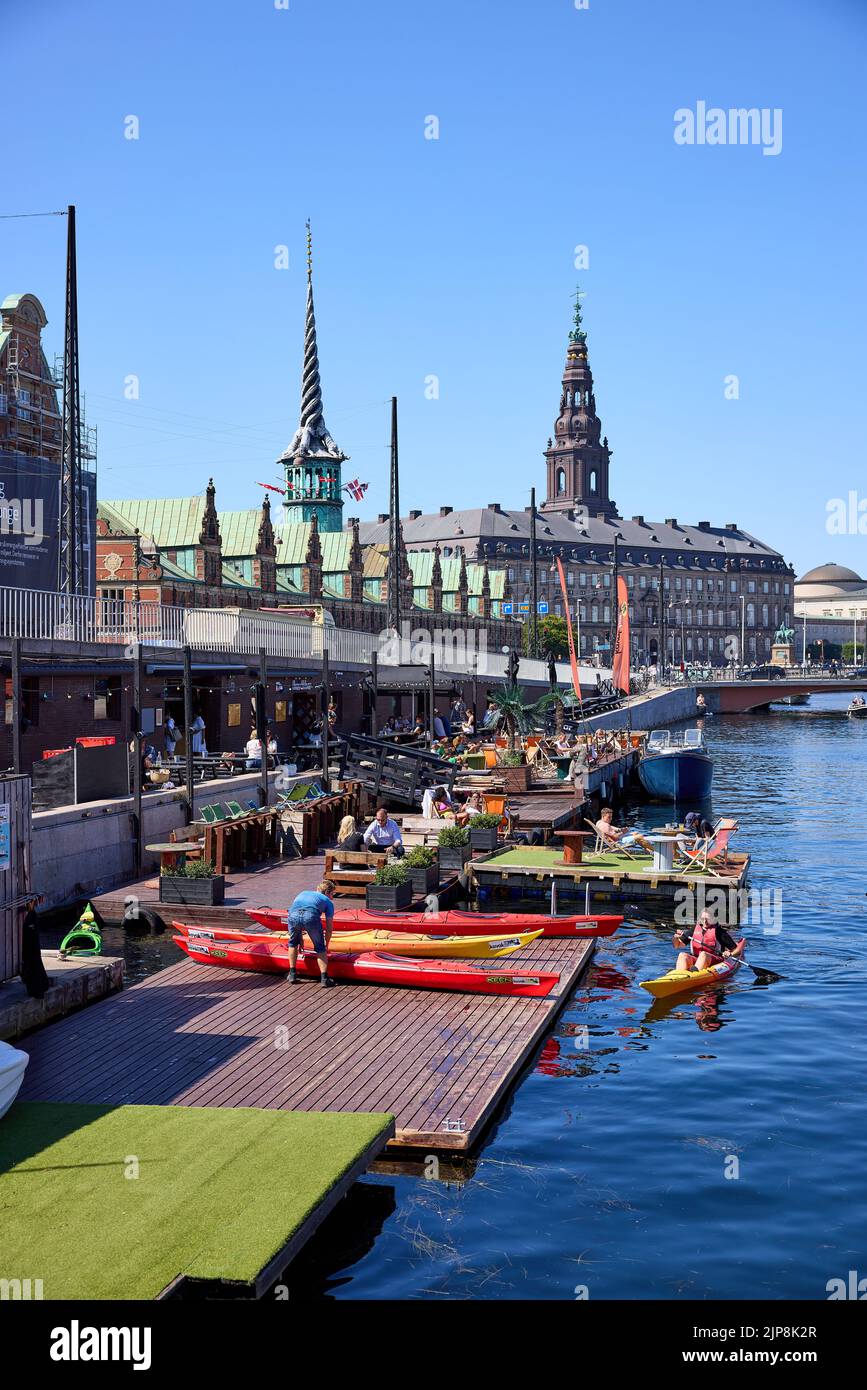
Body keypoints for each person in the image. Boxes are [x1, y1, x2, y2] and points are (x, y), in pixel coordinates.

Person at [286, 881, 335, 987]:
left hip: (293, 915)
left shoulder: (303, 892)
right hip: (311, 916)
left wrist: (300, 938)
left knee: (293, 943)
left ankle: (292, 974)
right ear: (327, 892)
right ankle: (324, 979)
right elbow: (329, 929)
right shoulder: (328, 902)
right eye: (332, 894)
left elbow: (296, 911)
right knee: (320, 948)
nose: (332, 897)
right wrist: (326, 945)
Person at [672, 910, 743, 973]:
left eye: (707, 919)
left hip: (715, 960)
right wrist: (675, 938)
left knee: (703, 954)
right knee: (682, 955)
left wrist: (730, 953)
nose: (704, 921)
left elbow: (737, 950)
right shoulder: (694, 929)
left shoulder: (719, 931)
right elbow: (677, 945)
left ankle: (695, 974)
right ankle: (679, 975)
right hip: (697, 959)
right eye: (702, 919)